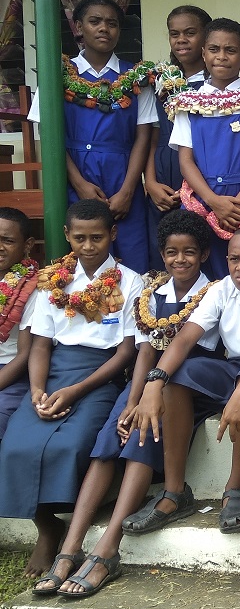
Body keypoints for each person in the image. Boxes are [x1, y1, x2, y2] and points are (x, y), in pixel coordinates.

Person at [31, 210, 217, 598]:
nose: (179, 260)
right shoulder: (152, 292)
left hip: (185, 390)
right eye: (171, 252)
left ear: (204, 254)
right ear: (161, 254)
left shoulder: (213, 292)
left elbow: (185, 351)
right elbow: (146, 351)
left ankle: (107, 548)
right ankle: (70, 547)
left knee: (139, 437)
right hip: (148, 385)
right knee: (106, 443)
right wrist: (132, 400)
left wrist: (147, 399)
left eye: (188, 253)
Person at [124, 226, 240, 535]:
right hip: (233, 369)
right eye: (233, 259)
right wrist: (154, 382)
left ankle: (236, 489)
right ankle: (175, 492)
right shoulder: (221, 290)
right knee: (178, 376)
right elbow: (183, 339)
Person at [0, 199, 143, 579]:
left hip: (100, 376)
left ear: (112, 234)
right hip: (52, 373)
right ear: (67, 236)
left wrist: (78, 390)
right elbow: (41, 345)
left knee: (71, 444)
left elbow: (127, 351)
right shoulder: (53, 281)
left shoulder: (131, 282)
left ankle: (69, 525)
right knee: (16, 444)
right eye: (79, 238)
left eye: (97, 237)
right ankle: (46, 527)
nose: (89, 245)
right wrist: (35, 390)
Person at [28, 0, 157, 272]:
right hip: (74, 172)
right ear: (78, 26)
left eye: (112, 24)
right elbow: (48, 137)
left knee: (131, 254)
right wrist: (79, 184)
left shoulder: (136, 77)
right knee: (75, 258)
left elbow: (142, 137)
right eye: (94, 21)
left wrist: (128, 190)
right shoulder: (56, 74)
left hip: (122, 174)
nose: (104, 29)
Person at [169, 18, 240, 281]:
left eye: (231, 50)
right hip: (202, 201)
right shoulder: (188, 103)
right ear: (203, 53)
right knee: (203, 273)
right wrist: (214, 203)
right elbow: (186, 161)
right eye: (214, 49)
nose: (221, 57)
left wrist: (238, 205)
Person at [145, 5, 212, 270]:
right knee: (166, 249)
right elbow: (152, 135)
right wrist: (150, 182)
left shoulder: (215, 83)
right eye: (175, 34)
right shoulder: (160, 81)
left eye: (190, 33)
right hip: (164, 174)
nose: (181, 40)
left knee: (199, 242)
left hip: (200, 171)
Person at [0, 207, 37, 442]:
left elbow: (25, 356)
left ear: (27, 244)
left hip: (10, 374)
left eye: (8, 241)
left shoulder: (33, 289)